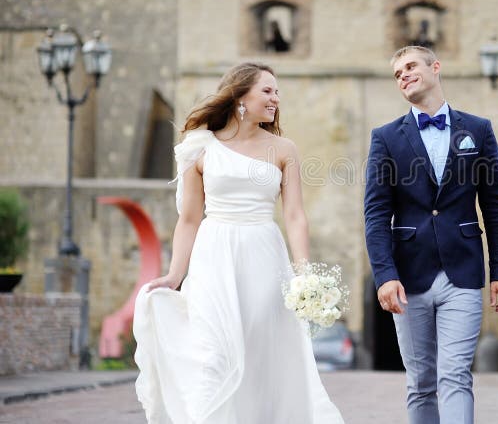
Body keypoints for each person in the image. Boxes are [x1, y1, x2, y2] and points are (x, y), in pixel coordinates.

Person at [133, 62, 344, 423]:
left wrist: (304, 272)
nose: (276, 98)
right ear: (240, 95)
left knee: (260, 351)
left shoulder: (283, 149)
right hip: (213, 254)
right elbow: (189, 219)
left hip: (264, 253)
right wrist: (174, 275)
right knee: (213, 352)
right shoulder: (200, 148)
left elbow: (294, 215)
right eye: (267, 90)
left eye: (277, 92)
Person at [364, 46, 498, 424]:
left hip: (462, 273)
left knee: (456, 376)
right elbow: (377, 214)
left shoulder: (477, 130)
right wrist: (384, 276)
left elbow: (495, 206)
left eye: (410, 66)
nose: (404, 75)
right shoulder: (385, 138)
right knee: (420, 382)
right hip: (408, 278)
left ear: (435, 67)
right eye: (397, 73)